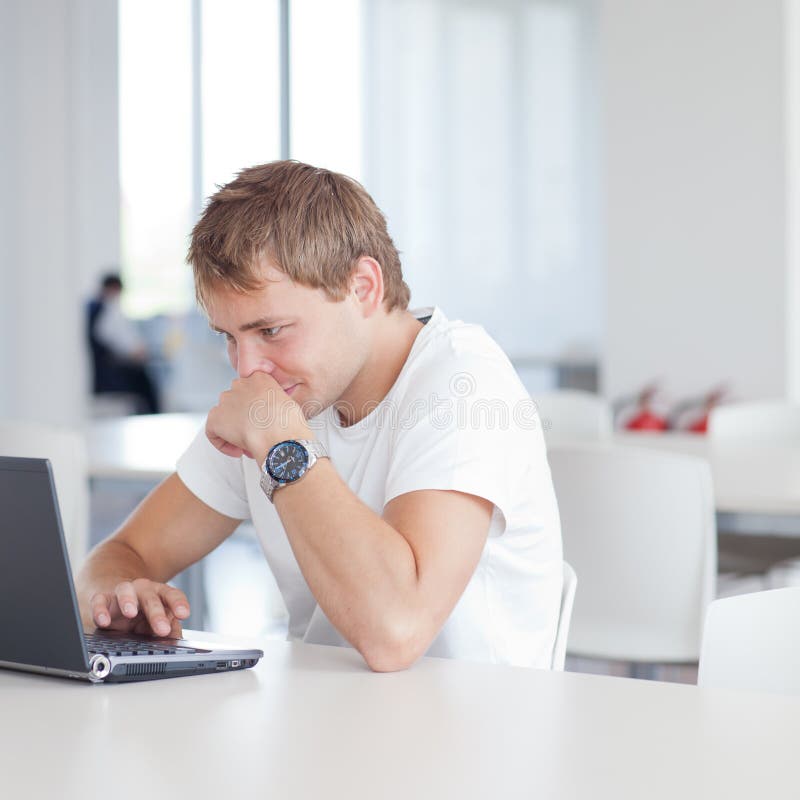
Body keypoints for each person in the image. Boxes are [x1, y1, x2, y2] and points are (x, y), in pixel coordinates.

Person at [76, 161, 562, 671]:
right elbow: (122, 551)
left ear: (362, 289)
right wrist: (116, 597)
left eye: (271, 331)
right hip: (328, 725)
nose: (246, 367)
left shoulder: (463, 380)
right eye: (229, 337)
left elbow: (396, 631)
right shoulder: (284, 392)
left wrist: (283, 447)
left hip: (476, 736)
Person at [87, 273, 161, 414]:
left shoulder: (101, 308)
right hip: (115, 369)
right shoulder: (106, 309)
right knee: (146, 383)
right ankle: (154, 414)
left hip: (118, 362)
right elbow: (111, 336)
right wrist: (134, 351)